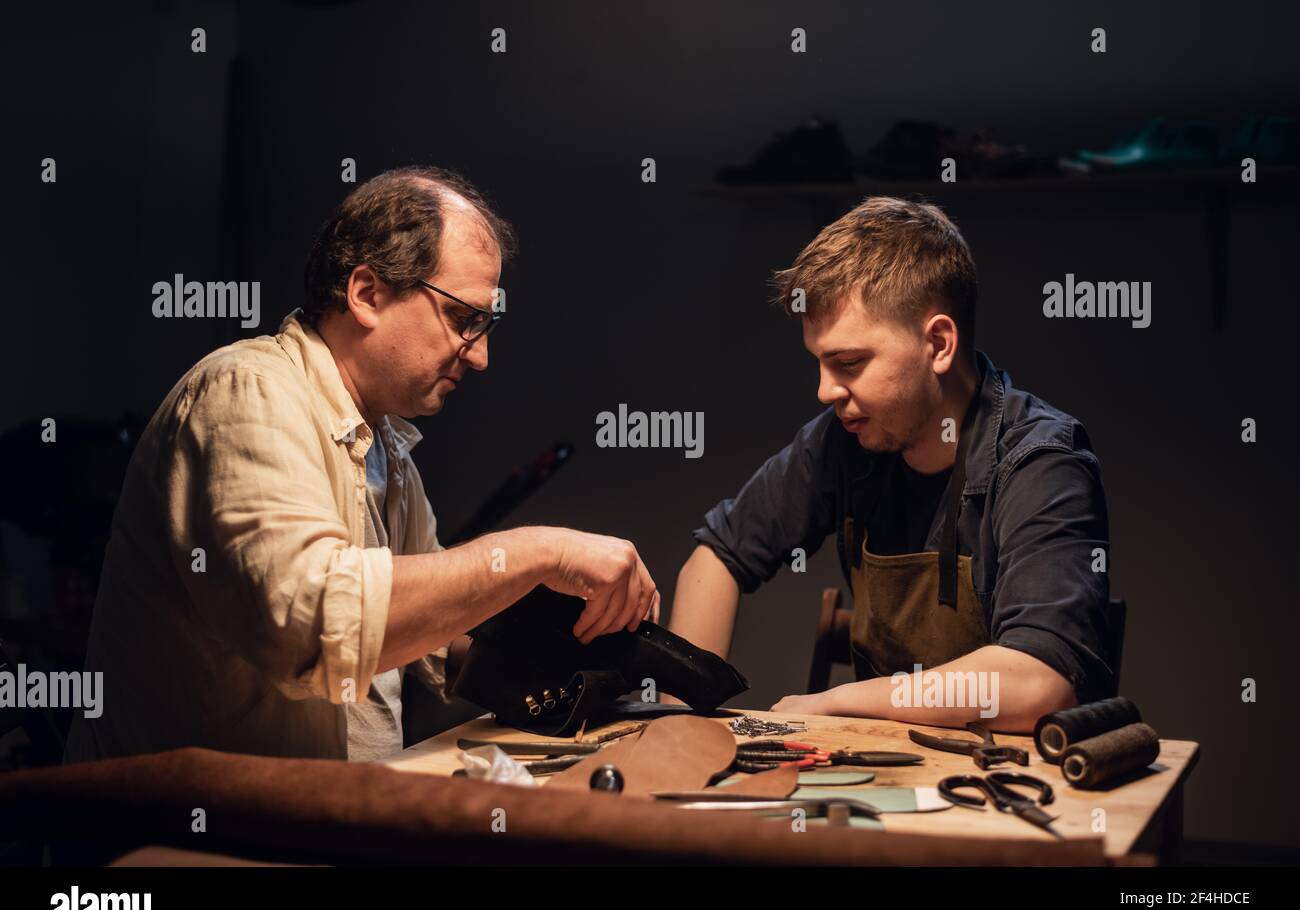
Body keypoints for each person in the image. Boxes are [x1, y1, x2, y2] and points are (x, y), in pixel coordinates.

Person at [65, 166, 658, 763]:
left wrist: (587, 647)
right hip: (180, 839)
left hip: (308, 823)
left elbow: (433, 638)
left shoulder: (385, 449)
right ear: (367, 293)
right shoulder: (246, 391)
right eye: (464, 319)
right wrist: (542, 552)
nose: (479, 356)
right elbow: (316, 623)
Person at [668, 197, 1111, 732]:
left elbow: (1039, 681)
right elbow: (716, 557)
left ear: (939, 344)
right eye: (820, 363)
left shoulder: (1040, 463)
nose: (825, 390)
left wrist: (835, 701)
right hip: (883, 776)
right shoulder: (843, 443)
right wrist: (680, 723)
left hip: (1005, 786)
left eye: (849, 363)